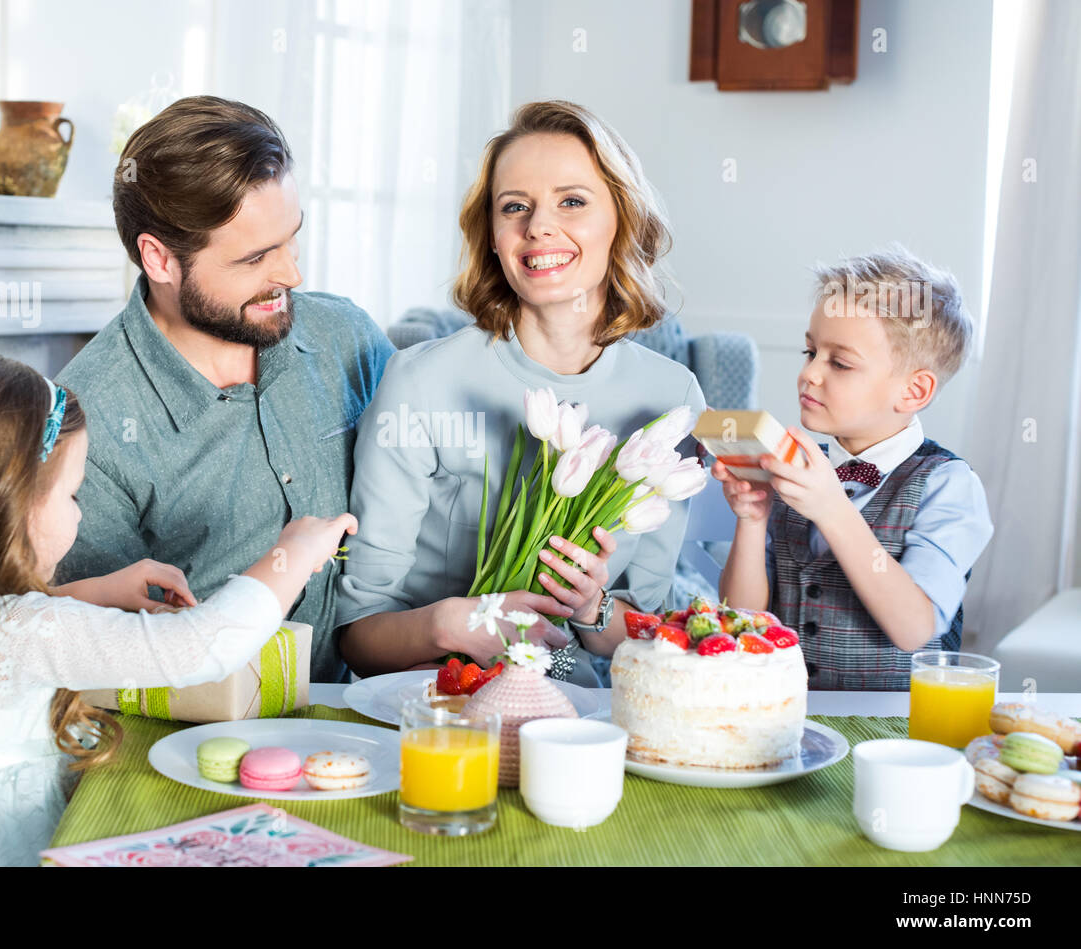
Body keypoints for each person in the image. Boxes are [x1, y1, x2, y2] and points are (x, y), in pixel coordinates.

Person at [0, 345, 354, 866]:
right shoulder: (28, 631)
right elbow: (201, 646)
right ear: (11, 505)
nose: (80, 515)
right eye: (72, 494)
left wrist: (90, 591)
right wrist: (292, 555)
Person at [337, 101, 706, 686]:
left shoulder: (670, 396)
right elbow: (357, 636)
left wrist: (592, 608)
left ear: (623, 220)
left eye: (572, 201)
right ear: (493, 236)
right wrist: (450, 625)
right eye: (515, 207)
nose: (538, 226)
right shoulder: (421, 383)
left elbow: (647, 627)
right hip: (440, 702)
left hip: (586, 712)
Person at [56, 96, 394, 682]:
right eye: (256, 257)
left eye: (291, 239)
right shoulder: (88, 419)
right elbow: (107, 657)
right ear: (159, 259)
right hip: (190, 743)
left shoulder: (347, 339)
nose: (292, 274)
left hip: (366, 716)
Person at [714, 247, 993, 690]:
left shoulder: (948, 485)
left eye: (840, 363)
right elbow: (741, 623)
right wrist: (752, 521)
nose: (810, 374)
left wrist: (832, 509)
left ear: (913, 391)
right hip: (787, 718)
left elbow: (914, 628)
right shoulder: (798, 468)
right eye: (810, 352)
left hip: (897, 731)